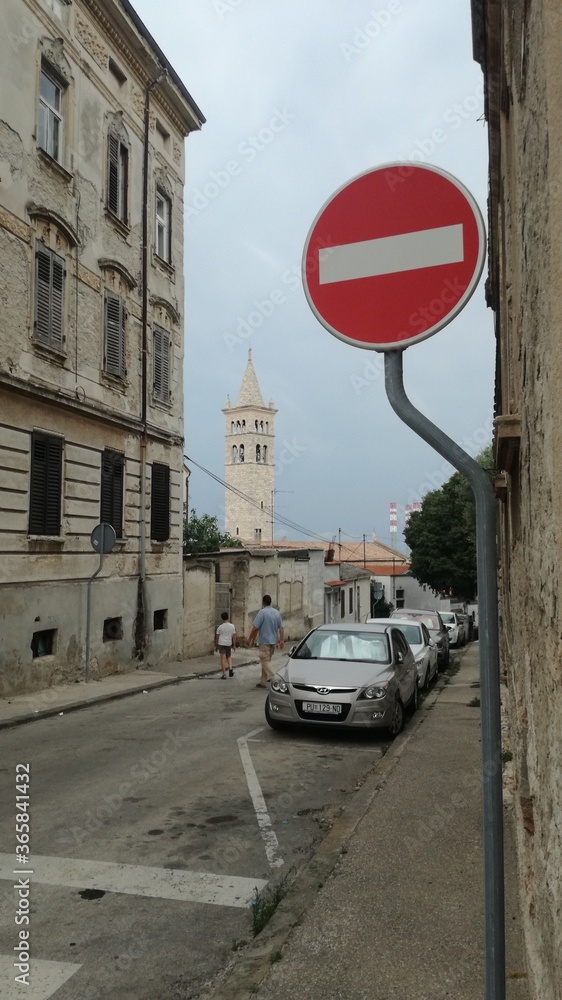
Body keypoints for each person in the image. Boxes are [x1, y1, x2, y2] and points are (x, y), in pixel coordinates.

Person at [247, 595, 284, 688]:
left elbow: (255, 628)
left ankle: (275, 678)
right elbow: (281, 628)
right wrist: (281, 640)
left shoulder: (262, 613)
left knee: (265, 661)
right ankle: (263, 682)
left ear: (263, 602)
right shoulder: (276, 613)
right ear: (270, 602)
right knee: (266, 660)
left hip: (265, 641)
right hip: (273, 641)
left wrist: (250, 639)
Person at [215, 611, 236, 679]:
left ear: (222, 618)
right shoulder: (232, 626)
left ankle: (224, 674)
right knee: (229, 656)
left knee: (223, 659)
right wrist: (234, 645)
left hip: (221, 643)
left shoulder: (220, 627)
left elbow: (217, 637)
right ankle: (230, 668)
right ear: (228, 617)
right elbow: (234, 636)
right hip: (228, 643)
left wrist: (216, 645)